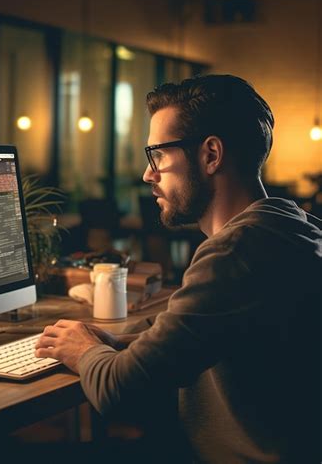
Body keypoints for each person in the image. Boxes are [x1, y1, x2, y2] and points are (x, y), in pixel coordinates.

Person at [35, 74, 322, 463]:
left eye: (159, 155)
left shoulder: (234, 253)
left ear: (211, 155)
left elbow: (120, 391)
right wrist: (123, 341)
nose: (148, 174)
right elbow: (200, 325)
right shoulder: (292, 227)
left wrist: (83, 349)